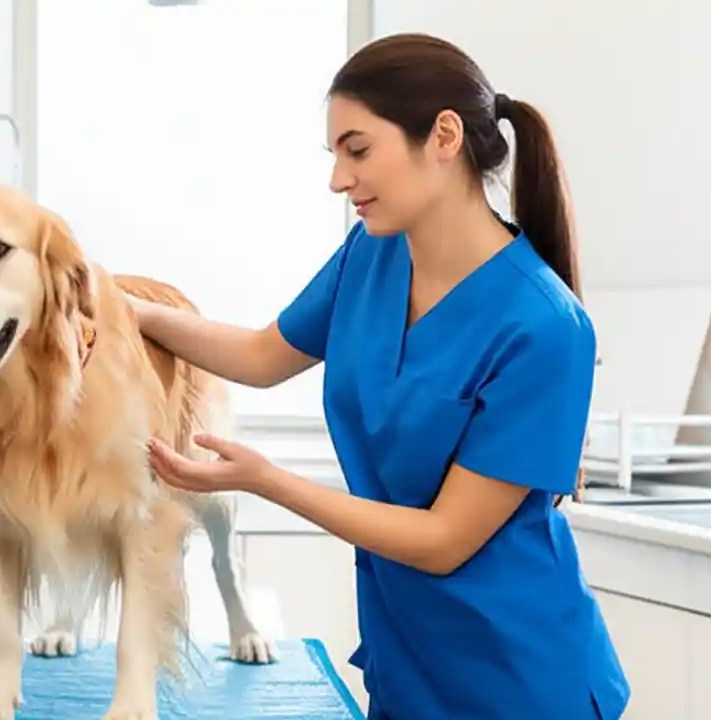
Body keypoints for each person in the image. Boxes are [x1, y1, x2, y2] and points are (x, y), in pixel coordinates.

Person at [137, 32, 630, 719]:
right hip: (407, 668)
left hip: (518, 680)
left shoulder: (547, 329)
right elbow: (259, 356)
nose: (339, 179)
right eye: (335, 155)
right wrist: (126, 310)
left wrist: (265, 479)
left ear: (445, 136)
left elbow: (443, 540)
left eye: (358, 150)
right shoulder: (371, 257)